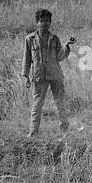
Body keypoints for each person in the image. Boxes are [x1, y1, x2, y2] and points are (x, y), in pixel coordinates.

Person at [22, 8, 75, 136]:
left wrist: (67, 46)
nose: (44, 23)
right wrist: (25, 76)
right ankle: (33, 132)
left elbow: (60, 57)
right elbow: (27, 58)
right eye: (41, 21)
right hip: (39, 75)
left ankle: (64, 130)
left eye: (47, 21)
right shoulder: (30, 39)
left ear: (50, 22)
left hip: (55, 74)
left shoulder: (54, 39)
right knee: (37, 104)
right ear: (37, 23)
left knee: (60, 102)